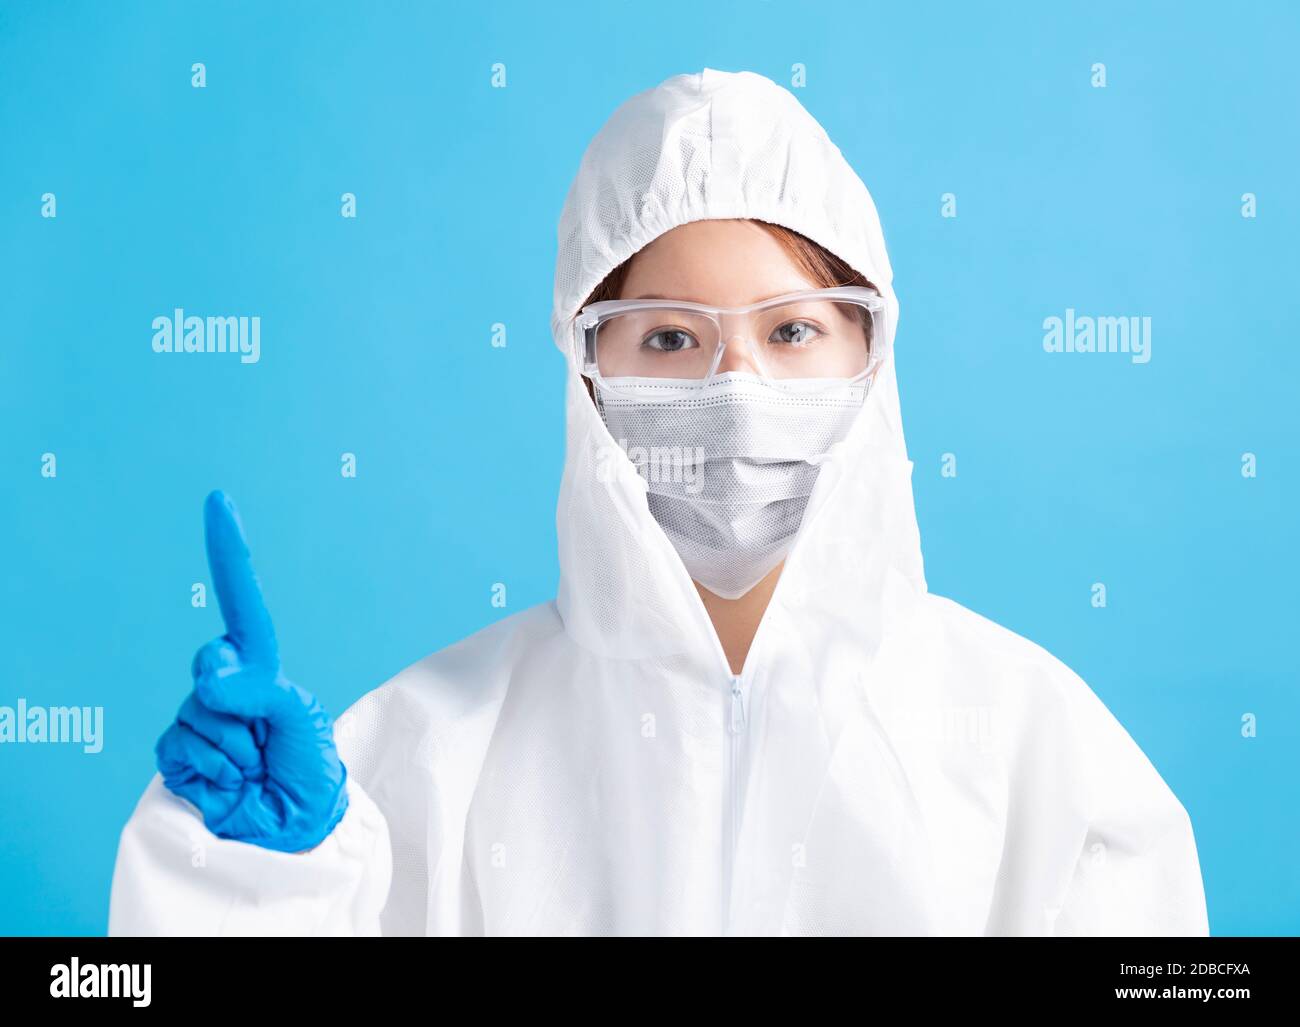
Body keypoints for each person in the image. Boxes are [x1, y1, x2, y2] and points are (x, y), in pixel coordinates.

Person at [108, 68, 1210, 936]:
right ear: (586, 374)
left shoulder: (1039, 756)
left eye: (791, 330)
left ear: (872, 355)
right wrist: (252, 883)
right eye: (671, 339)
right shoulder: (419, 761)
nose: (736, 392)